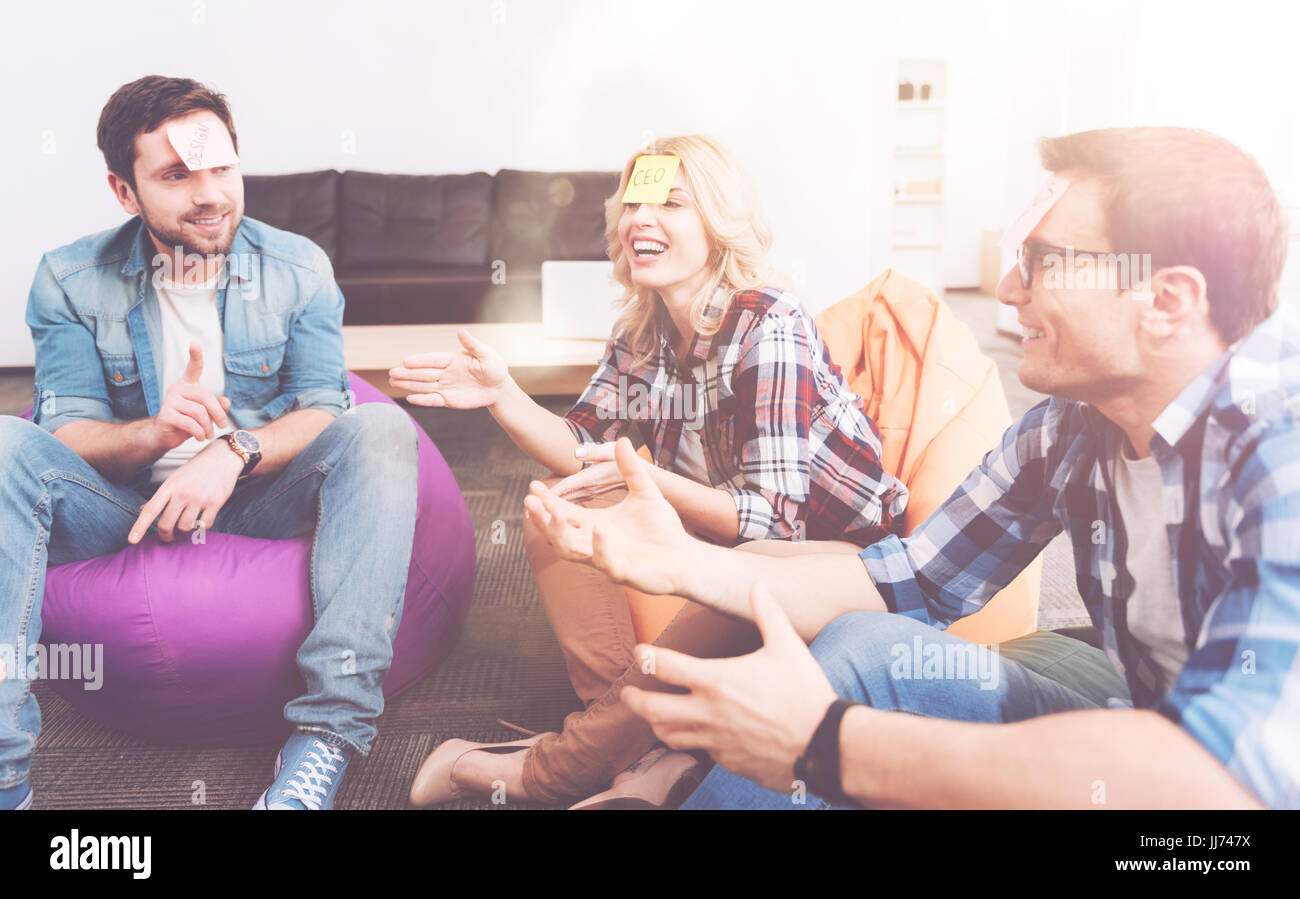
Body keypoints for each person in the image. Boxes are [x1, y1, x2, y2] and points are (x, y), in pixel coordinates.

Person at [525, 126, 1296, 809]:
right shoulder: (1066, 431)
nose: (1005, 289)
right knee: (865, 644)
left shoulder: (1280, 450)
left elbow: (1223, 781)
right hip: (1141, 718)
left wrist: (827, 744)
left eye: (1044, 262)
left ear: (1168, 299)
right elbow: (911, 580)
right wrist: (683, 562)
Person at [393, 135, 909, 806]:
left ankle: (523, 770)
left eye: (670, 201)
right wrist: (504, 394)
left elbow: (775, 524)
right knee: (560, 503)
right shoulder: (641, 331)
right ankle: (646, 747)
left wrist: (641, 474)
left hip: (833, 555)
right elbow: (581, 442)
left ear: (718, 226)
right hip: (728, 531)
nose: (641, 218)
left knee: (722, 544)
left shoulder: (767, 325)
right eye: (634, 202)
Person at [0, 76, 419, 811]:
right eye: (176, 175)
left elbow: (325, 408)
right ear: (123, 191)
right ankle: (4, 772)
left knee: (382, 427)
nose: (210, 194)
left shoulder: (297, 267)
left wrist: (233, 452)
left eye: (222, 167)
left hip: (253, 500)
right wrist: (156, 433)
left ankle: (326, 738)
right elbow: (63, 432)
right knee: (3, 441)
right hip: (122, 508)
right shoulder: (68, 278)